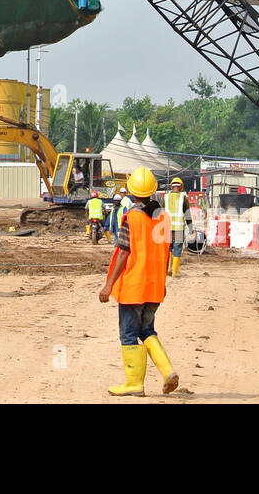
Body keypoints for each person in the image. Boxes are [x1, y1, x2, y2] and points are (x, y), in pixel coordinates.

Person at [98, 166, 178, 397]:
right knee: (147, 330)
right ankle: (167, 370)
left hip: (134, 285)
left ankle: (134, 384)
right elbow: (166, 252)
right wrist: (162, 280)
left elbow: (123, 252)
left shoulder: (132, 217)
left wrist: (109, 284)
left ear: (131, 192)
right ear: (154, 191)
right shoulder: (163, 216)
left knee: (129, 334)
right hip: (155, 285)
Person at [164, 176, 191, 277]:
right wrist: (191, 227)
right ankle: (175, 272)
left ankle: (169, 270)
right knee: (177, 249)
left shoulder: (166, 197)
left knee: (168, 249)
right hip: (179, 229)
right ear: (180, 187)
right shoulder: (183, 197)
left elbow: (162, 212)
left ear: (172, 186)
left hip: (167, 228)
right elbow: (187, 213)